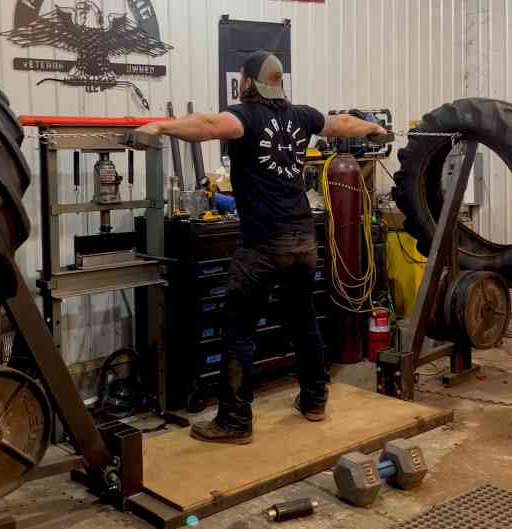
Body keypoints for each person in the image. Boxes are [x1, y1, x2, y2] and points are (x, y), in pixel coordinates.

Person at [136, 51, 387, 444]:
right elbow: (341, 123)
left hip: (262, 245)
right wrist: (372, 129)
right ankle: (314, 401)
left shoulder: (245, 116)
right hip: (303, 240)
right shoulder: (302, 115)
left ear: (249, 82)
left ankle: (235, 421)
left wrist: (158, 126)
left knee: (239, 329)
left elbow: (204, 124)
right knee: (304, 321)